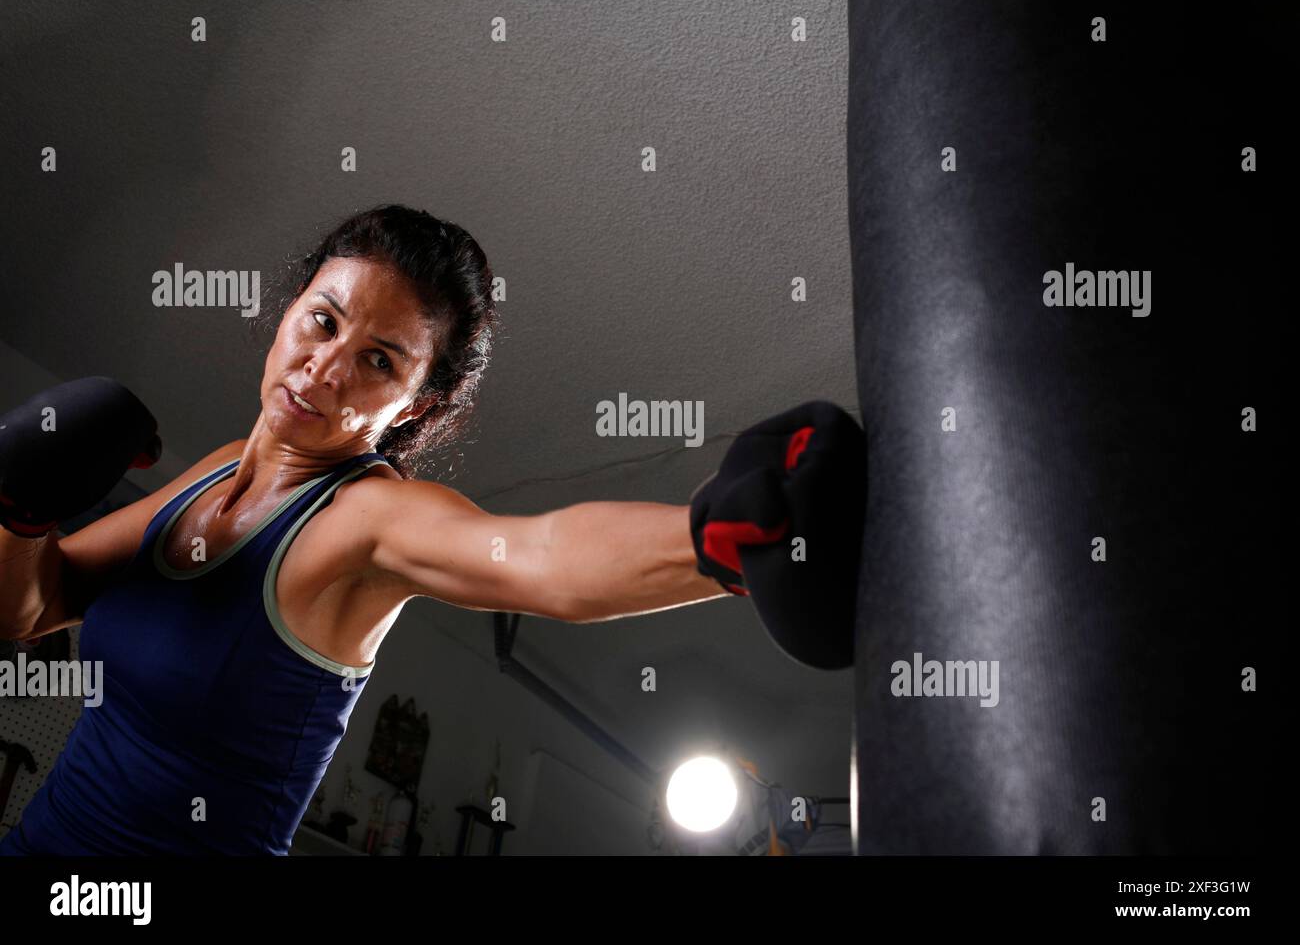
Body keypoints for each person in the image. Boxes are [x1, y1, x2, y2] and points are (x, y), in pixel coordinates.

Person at [0, 204, 862, 854]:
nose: (327, 368)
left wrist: (722, 539)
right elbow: (29, 612)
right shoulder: (220, 469)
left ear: (419, 404)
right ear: (290, 308)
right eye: (324, 319)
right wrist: (21, 514)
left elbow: (537, 559)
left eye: (380, 361)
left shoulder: (364, 519)